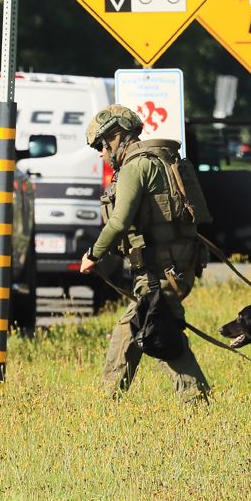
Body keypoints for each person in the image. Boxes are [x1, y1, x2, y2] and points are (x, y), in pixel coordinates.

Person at [79, 105, 210, 401]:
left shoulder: (135, 167)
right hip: (176, 266)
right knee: (136, 330)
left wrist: (93, 255)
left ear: (117, 137)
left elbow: (119, 221)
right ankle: (106, 401)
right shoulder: (163, 160)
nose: (101, 153)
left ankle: (195, 402)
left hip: (160, 270)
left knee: (157, 333)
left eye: (101, 144)